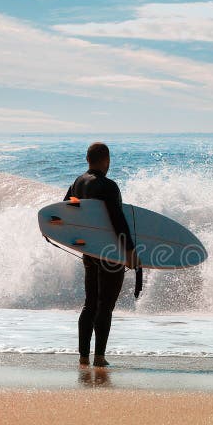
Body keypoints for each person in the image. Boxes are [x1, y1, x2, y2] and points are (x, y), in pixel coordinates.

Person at [64, 142, 139, 367]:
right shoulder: (108, 186)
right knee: (105, 305)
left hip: (90, 251)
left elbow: (67, 206)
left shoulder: (78, 182)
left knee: (90, 304)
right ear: (106, 160)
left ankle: (84, 357)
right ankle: (99, 357)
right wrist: (129, 251)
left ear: (88, 159)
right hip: (110, 251)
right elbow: (117, 220)